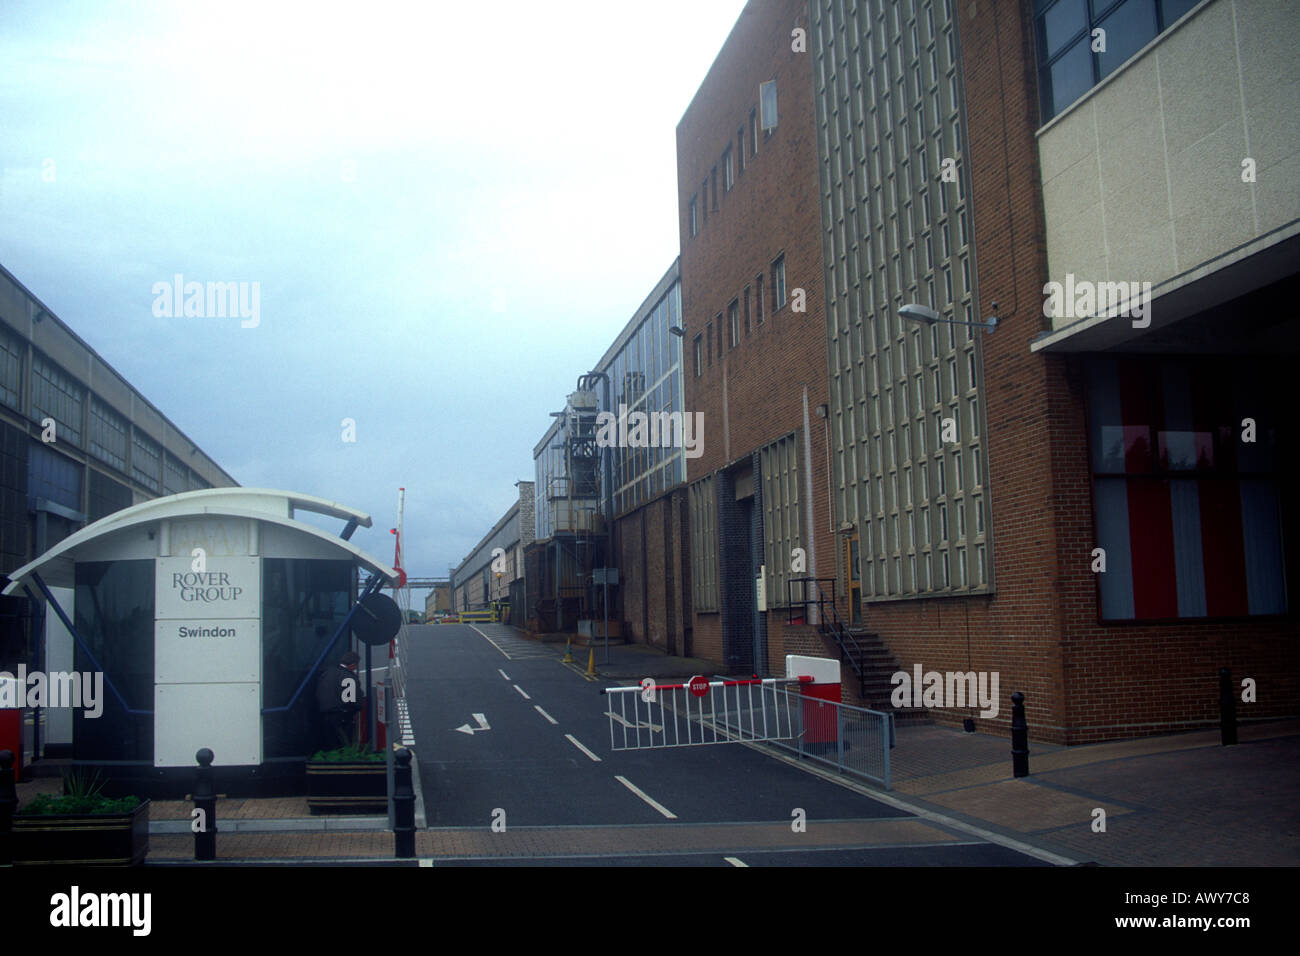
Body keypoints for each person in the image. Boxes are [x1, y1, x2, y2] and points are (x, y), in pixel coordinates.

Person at [316, 650, 364, 749]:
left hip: (326, 715)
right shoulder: (350, 678)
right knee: (344, 745)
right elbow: (355, 701)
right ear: (352, 665)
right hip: (343, 716)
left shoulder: (327, 673)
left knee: (330, 745)